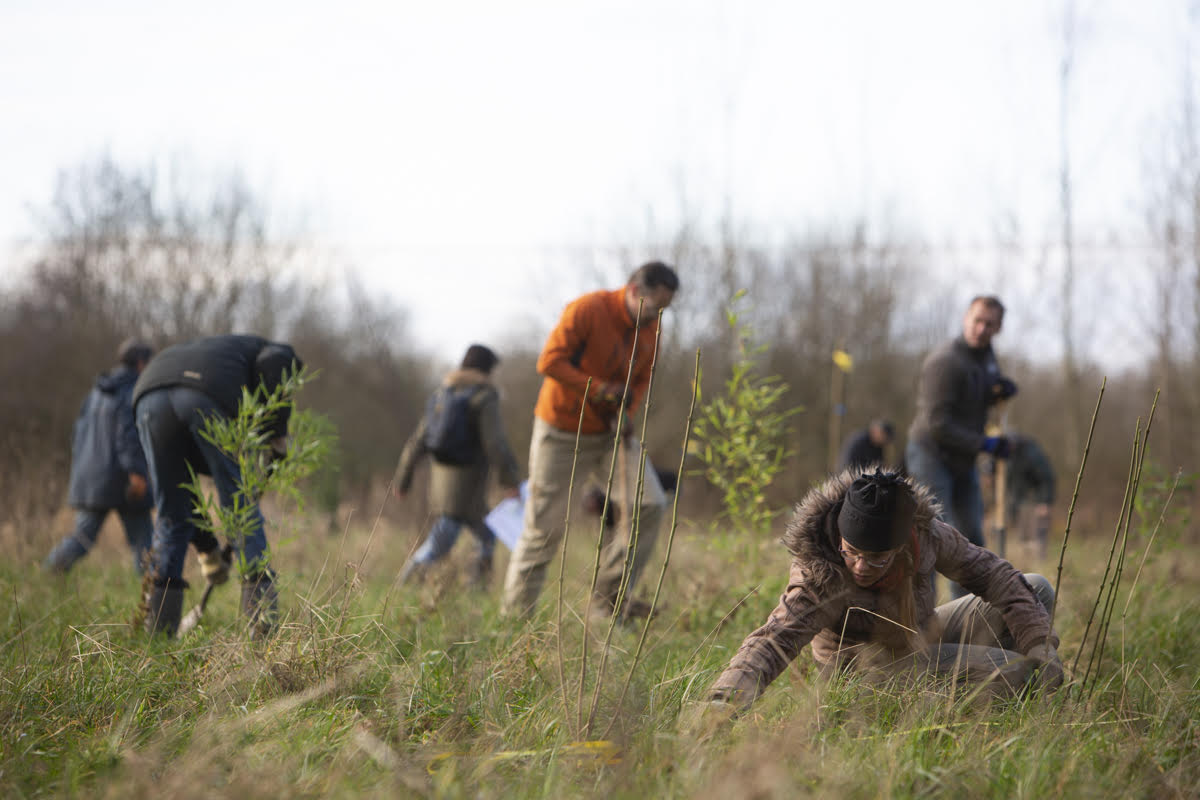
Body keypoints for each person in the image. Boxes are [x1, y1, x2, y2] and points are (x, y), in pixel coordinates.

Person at [703, 469, 1063, 716]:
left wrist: (1040, 644)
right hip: (862, 673)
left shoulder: (927, 535)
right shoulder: (820, 571)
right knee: (1016, 673)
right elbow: (774, 639)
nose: (859, 566)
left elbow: (994, 575)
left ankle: (999, 689)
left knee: (1036, 589)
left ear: (903, 544)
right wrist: (726, 698)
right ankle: (1007, 691)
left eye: (876, 558)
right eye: (852, 552)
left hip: (919, 638)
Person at [501, 261, 679, 621]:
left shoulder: (652, 331)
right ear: (634, 291)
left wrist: (628, 412)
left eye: (665, 309)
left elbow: (640, 381)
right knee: (544, 528)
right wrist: (599, 390)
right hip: (561, 430)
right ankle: (514, 621)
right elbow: (549, 361)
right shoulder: (588, 309)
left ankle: (607, 602)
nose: (658, 316)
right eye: (655, 307)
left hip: (610, 432)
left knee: (650, 503)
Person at [132, 334, 302, 637]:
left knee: (172, 511)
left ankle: (157, 634)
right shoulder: (274, 350)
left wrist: (208, 551)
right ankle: (262, 631)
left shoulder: (222, 350)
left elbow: (187, 494)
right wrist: (277, 432)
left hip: (148, 397)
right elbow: (275, 363)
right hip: (201, 393)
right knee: (239, 507)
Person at [905, 295, 1018, 598]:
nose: (981, 328)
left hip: (962, 458)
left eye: (989, 324)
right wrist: (986, 444)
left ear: (998, 328)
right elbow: (937, 423)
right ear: (966, 318)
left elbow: (974, 392)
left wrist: (996, 391)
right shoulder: (945, 362)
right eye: (977, 320)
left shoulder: (987, 357)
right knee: (935, 535)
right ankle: (921, 617)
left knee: (972, 538)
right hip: (931, 455)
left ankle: (966, 618)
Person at [393, 344, 522, 586]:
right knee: (439, 545)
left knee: (486, 536)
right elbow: (495, 444)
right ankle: (402, 587)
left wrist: (403, 480)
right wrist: (510, 480)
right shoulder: (484, 397)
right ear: (487, 370)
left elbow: (417, 441)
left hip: (443, 485)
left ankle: (477, 591)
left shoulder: (443, 393)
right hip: (467, 489)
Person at [43, 338, 155, 574]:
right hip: (123, 480)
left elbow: (78, 434)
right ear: (141, 363)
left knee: (81, 538)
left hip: (93, 479)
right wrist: (137, 474)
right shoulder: (131, 390)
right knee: (144, 541)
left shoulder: (97, 392)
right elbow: (129, 436)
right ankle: (155, 594)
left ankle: (48, 572)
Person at [994, 434, 1056, 562]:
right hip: (1020, 501)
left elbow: (1047, 477)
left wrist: (1045, 501)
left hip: (1035, 501)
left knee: (1036, 538)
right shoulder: (1008, 457)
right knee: (1023, 538)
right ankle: (1025, 565)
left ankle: (1038, 568)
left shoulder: (1032, 454)